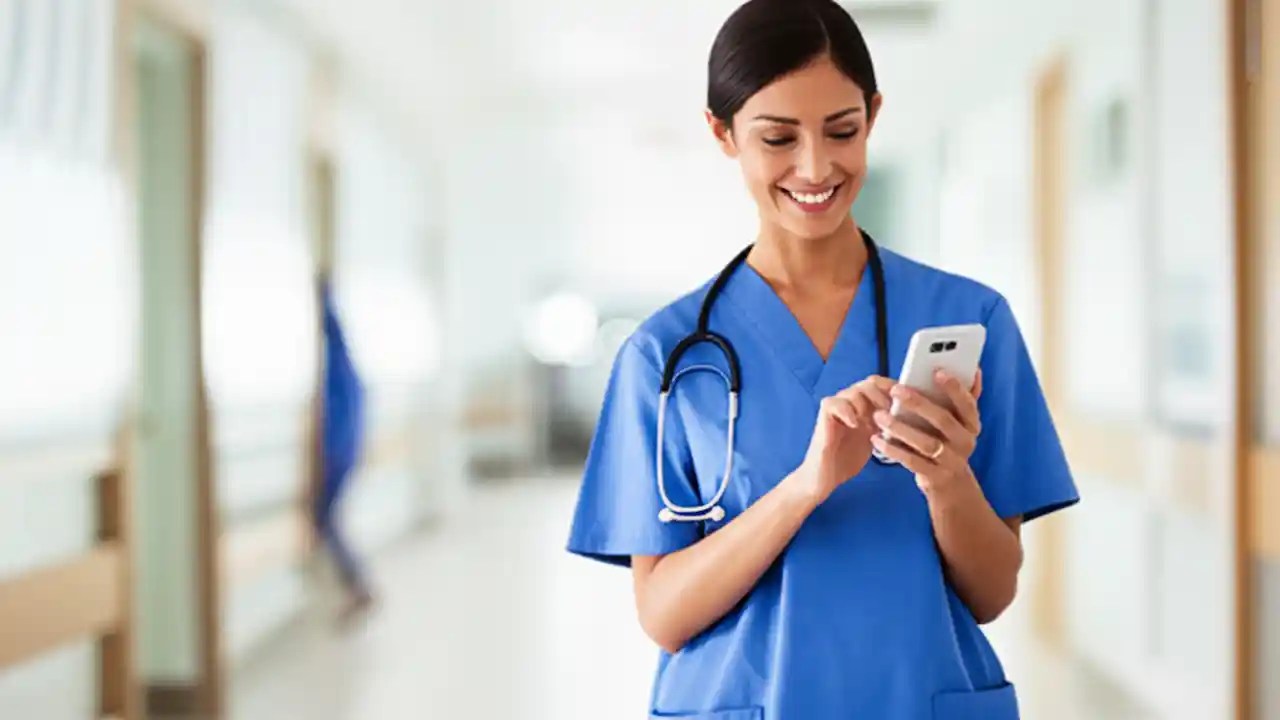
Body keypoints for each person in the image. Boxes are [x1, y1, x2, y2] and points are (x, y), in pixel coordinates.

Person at [565, 1, 1079, 718]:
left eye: (843, 130)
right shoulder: (666, 354)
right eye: (777, 138)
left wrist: (947, 480)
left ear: (872, 114)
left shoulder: (968, 319)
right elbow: (664, 615)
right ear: (723, 134)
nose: (816, 167)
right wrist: (805, 488)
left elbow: (993, 594)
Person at [315, 277, 375, 623]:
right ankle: (356, 584)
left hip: (338, 454)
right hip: (345, 452)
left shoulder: (339, 372)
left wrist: (322, 295)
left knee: (326, 518)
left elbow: (331, 326)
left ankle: (357, 584)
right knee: (327, 519)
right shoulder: (349, 373)